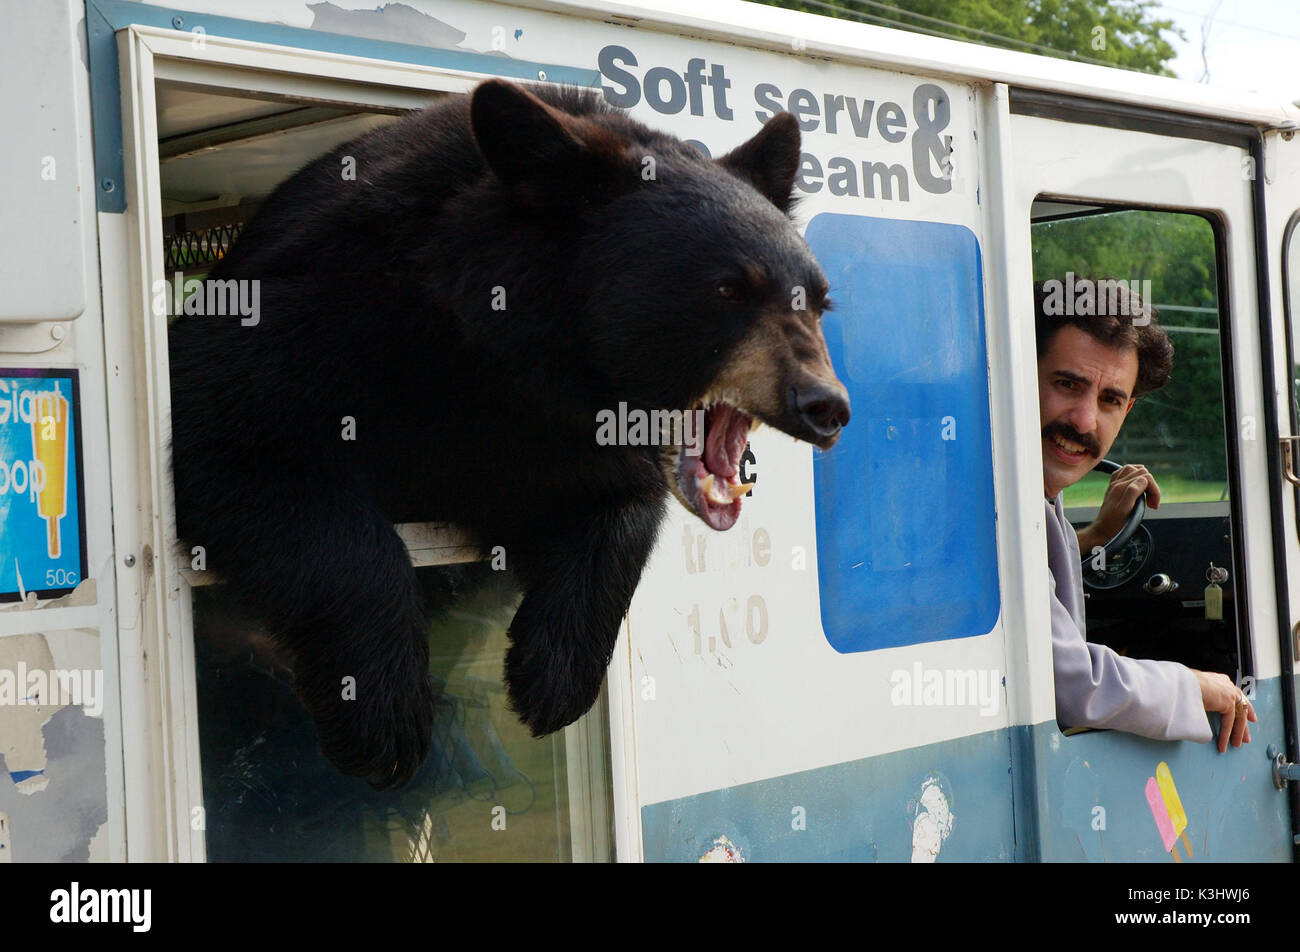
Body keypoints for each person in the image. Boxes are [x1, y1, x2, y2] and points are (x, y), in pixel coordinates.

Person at [1035, 278, 1256, 751]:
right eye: (1067, 384)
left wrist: (1094, 535)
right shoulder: (986, 506)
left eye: (1110, 399)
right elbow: (1072, 684)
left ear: (1128, 409)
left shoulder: (1036, 498)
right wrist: (1199, 686)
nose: (1084, 421)